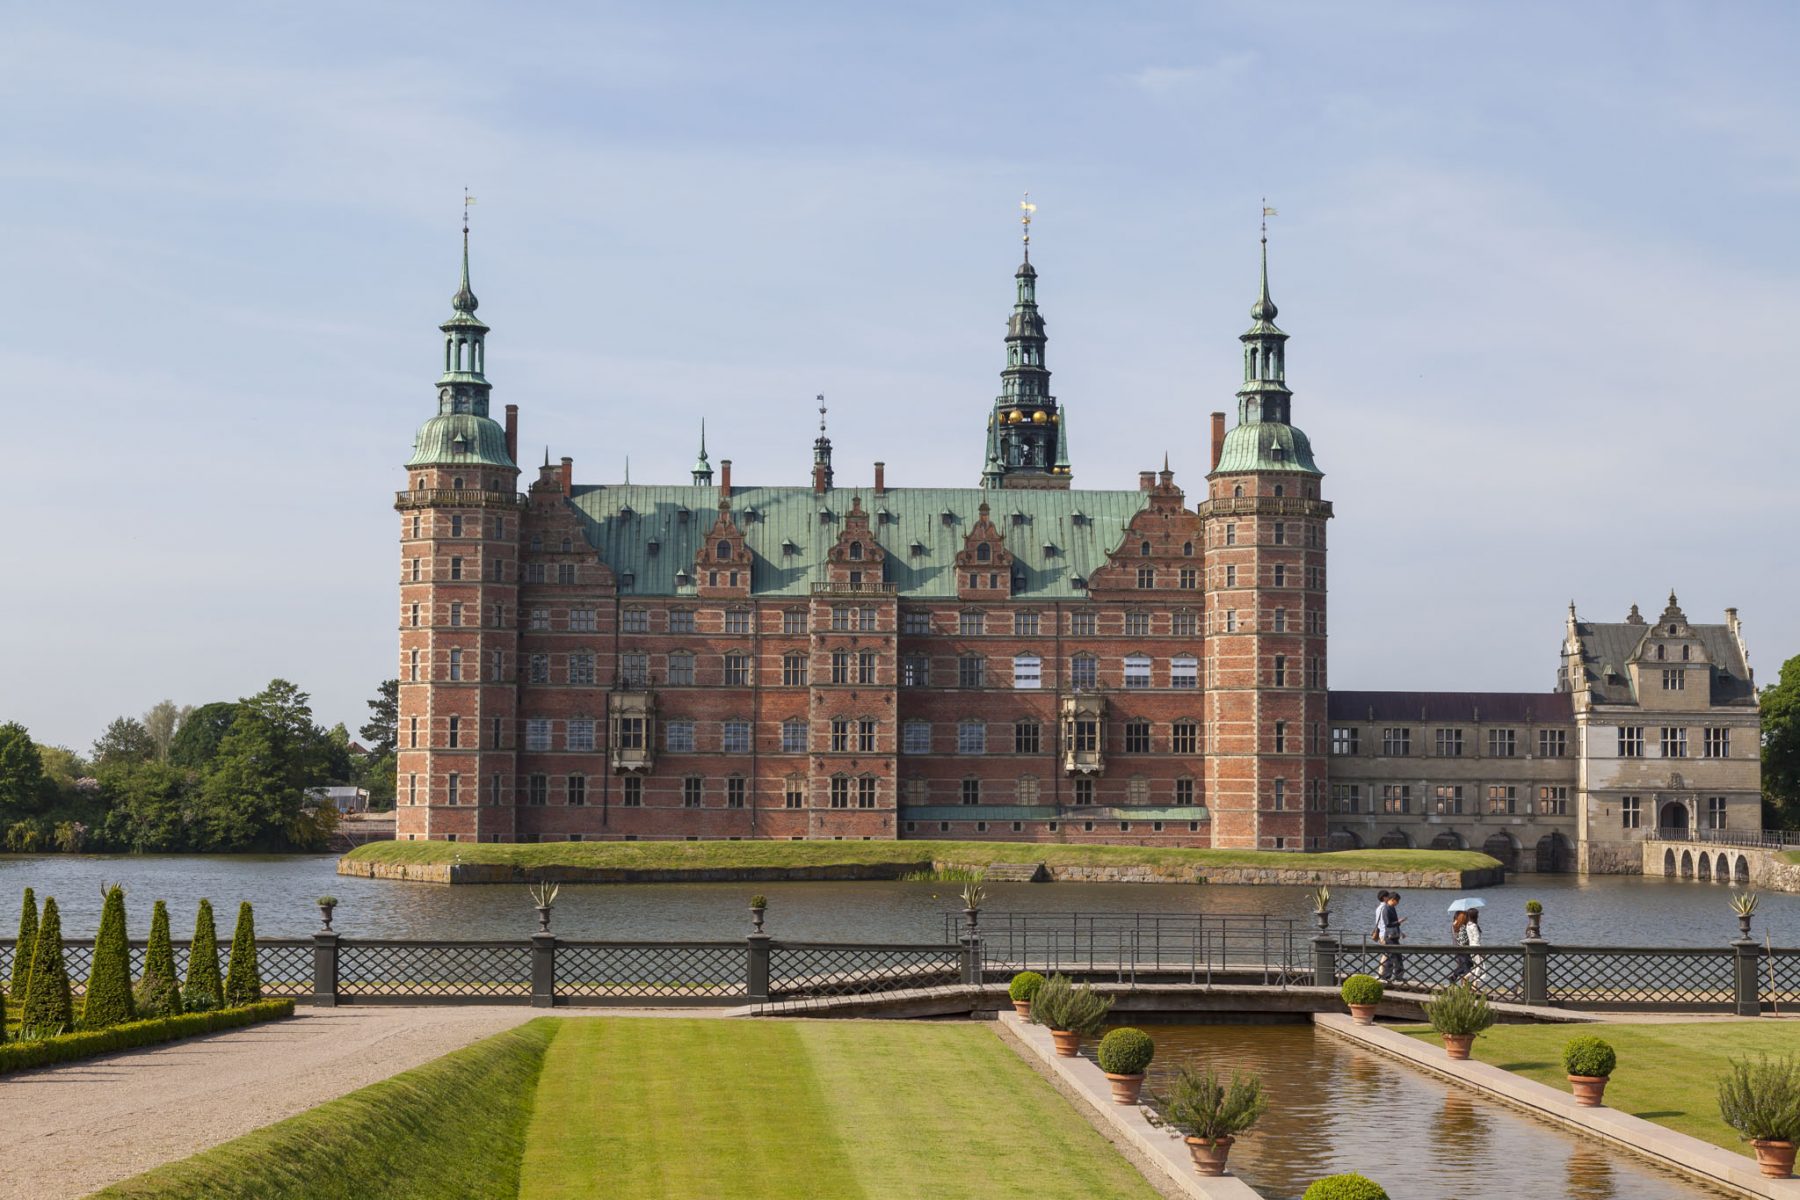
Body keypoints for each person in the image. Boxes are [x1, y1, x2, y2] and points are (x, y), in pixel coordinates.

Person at [1376, 891, 1405, 983]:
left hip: (1394, 935)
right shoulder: (1386, 909)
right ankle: (1392, 976)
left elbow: (1394, 923)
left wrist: (1400, 932)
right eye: (1397, 901)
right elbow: (1387, 923)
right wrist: (1398, 922)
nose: (1398, 903)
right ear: (1392, 900)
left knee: (1395, 956)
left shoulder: (1391, 908)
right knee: (1394, 957)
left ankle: (1391, 976)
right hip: (1389, 936)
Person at [1449, 910, 1473, 983]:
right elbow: (1464, 940)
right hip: (1463, 949)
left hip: (1456, 948)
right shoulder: (1462, 927)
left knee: (1465, 966)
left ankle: (1454, 977)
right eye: (1466, 917)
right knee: (1467, 966)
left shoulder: (1454, 925)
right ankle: (1456, 978)